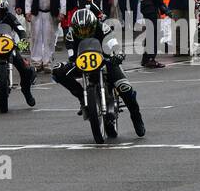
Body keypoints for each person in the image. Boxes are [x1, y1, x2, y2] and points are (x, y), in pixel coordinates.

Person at [52, 7, 144, 136]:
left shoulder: (103, 28)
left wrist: (118, 54)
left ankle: (136, 117)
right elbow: (72, 56)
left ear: (94, 24)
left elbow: (114, 44)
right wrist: (69, 65)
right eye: (81, 30)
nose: (84, 33)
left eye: (87, 29)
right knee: (57, 71)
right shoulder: (70, 35)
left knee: (125, 89)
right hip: (82, 63)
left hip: (106, 61)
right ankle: (80, 96)